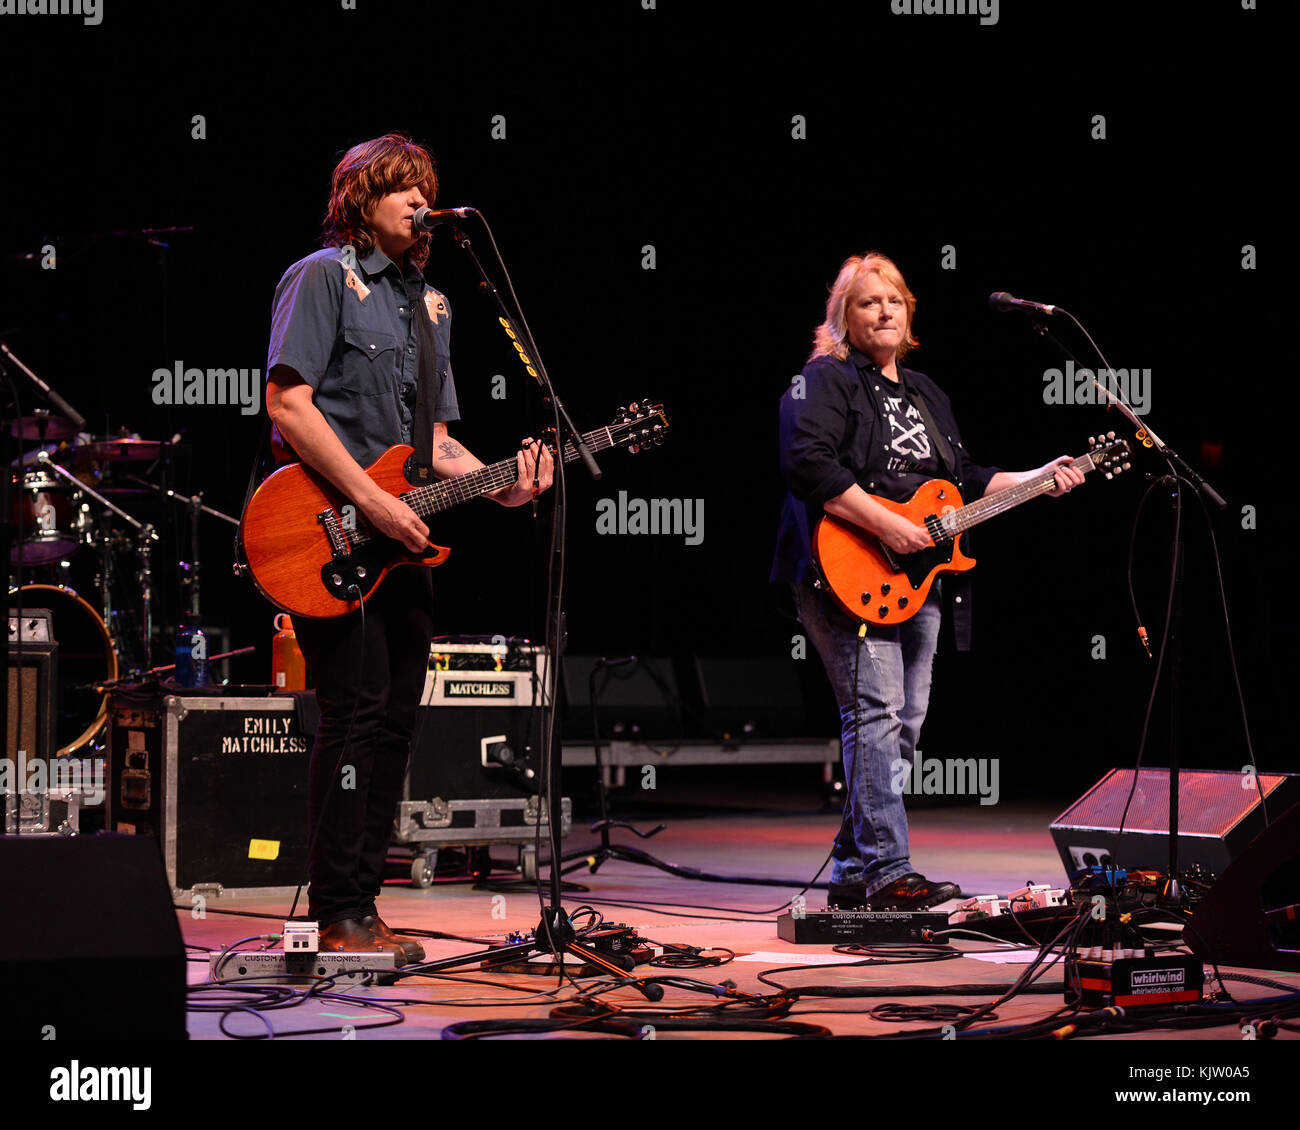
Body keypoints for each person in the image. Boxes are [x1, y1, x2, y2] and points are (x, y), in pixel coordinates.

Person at [264, 133, 552, 958]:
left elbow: (436, 443)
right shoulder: (321, 277)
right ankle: (336, 912)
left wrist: (507, 482)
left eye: (425, 186)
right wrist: (368, 501)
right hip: (327, 527)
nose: (417, 199)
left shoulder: (432, 305)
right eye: (399, 186)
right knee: (352, 716)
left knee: (394, 722)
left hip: (399, 541)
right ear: (360, 198)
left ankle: (365, 901)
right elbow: (289, 404)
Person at [772, 252, 1083, 909]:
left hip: (919, 580)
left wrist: (1038, 479)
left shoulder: (927, 393)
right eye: (866, 302)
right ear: (843, 319)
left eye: (894, 300)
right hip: (846, 567)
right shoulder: (825, 381)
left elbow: (965, 483)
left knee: (903, 723)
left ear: (909, 314)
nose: (883, 310)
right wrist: (886, 526)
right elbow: (808, 465)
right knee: (877, 715)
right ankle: (889, 872)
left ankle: (855, 872)